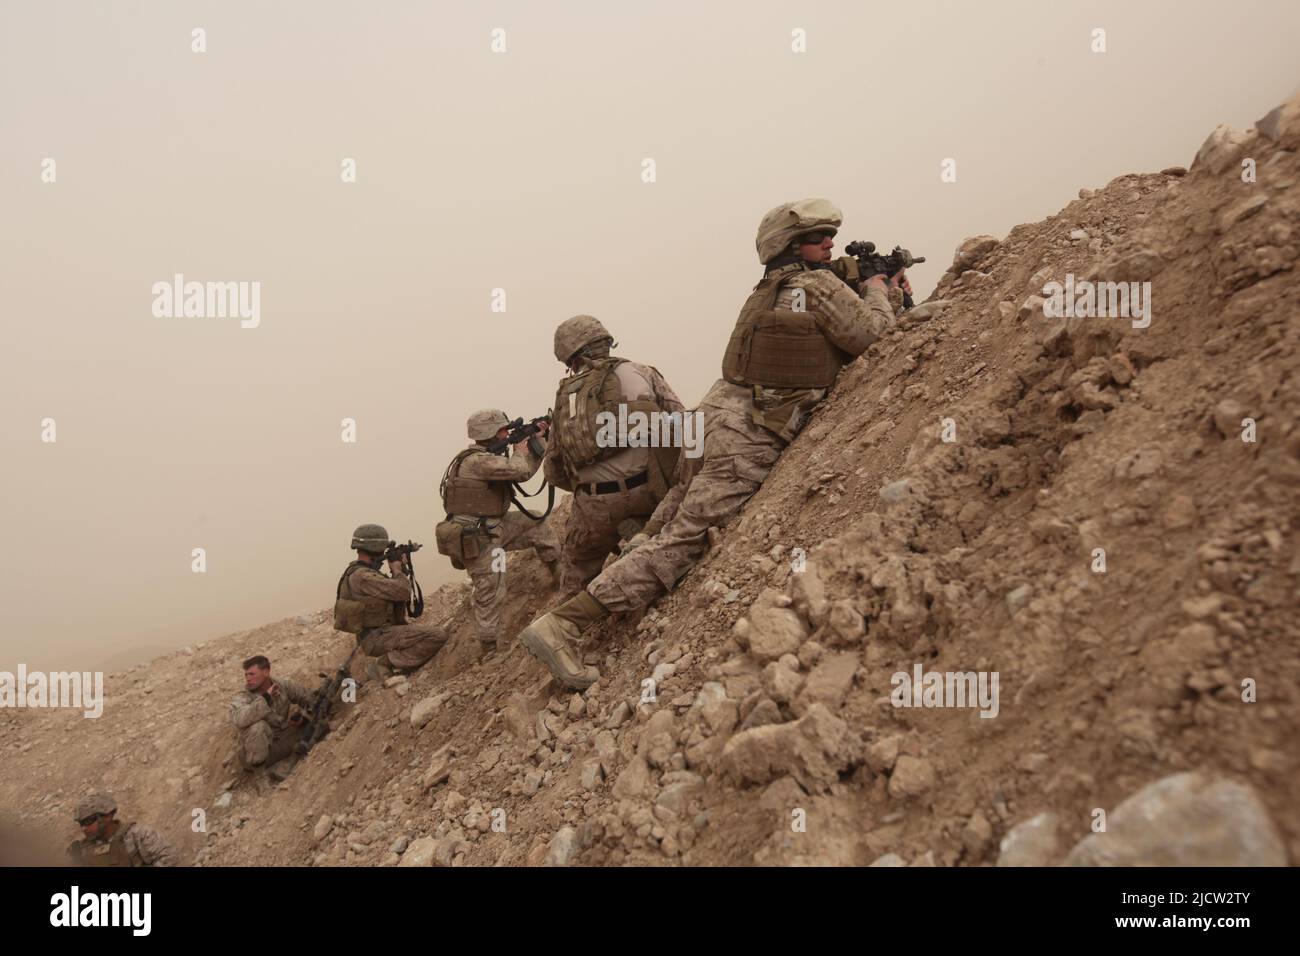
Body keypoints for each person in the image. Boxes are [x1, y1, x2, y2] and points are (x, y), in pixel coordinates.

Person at [517, 199, 905, 689]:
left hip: (710, 423)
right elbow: (876, 335)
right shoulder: (814, 285)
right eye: (819, 236)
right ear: (790, 246)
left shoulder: (766, 291)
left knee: (668, 519)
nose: (829, 242)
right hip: (747, 432)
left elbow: (554, 470)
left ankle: (625, 566)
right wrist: (877, 289)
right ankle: (565, 624)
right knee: (686, 537)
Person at [543, 314, 685, 602]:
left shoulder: (563, 401)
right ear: (606, 342)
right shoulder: (641, 372)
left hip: (595, 507)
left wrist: (593, 489)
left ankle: (566, 626)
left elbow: (553, 471)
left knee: (577, 572)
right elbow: (680, 422)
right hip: (651, 491)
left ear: (570, 358)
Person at [435, 410, 561, 652]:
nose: (507, 433)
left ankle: (559, 572)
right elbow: (519, 469)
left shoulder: (485, 458)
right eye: (503, 430)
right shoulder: (478, 461)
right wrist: (522, 449)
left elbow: (523, 471)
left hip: (495, 525)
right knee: (491, 590)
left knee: (535, 522)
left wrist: (538, 442)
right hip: (478, 538)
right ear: (489, 433)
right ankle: (489, 648)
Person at [334, 523, 449, 674]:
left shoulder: (362, 572)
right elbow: (403, 592)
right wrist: (397, 570)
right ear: (375, 548)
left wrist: (400, 570)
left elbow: (394, 592)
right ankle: (385, 663)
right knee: (437, 636)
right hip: (377, 638)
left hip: (381, 633)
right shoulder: (363, 576)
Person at [229, 654, 316, 776]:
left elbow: (307, 697)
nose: (248, 678)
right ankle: (259, 777)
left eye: (252, 674)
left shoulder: (281, 685)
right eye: (246, 675)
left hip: (280, 741)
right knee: (258, 727)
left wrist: (303, 716)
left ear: (266, 672)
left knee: (309, 726)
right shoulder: (243, 696)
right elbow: (240, 719)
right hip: (254, 754)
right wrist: (266, 699)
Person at [66, 791, 177, 866]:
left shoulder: (137, 835)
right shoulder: (81, 850)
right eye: (81, 823)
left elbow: (168, 858)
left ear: (107, 816)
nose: (84, 828)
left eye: (89, 821)